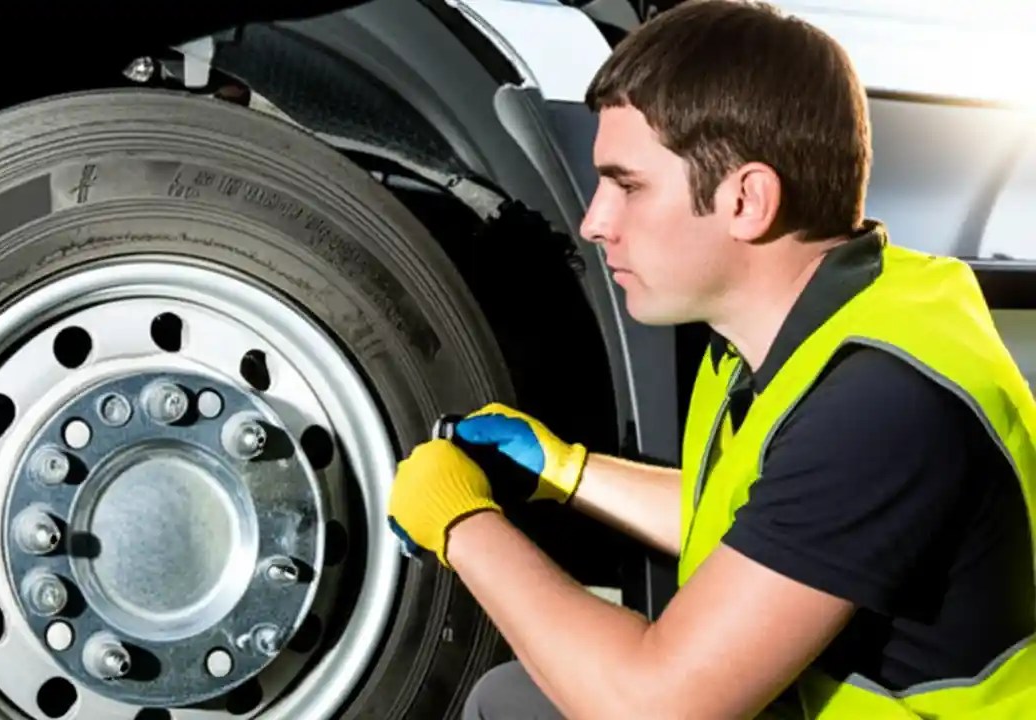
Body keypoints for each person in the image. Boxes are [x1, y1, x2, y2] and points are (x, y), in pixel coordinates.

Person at [384, 1, 1036, 718]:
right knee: (512, 699)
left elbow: (653, 707)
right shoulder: (794, 336)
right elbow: (770, 521)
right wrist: (568, 473)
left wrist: (461, 524)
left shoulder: (881, 406)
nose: (595, 222)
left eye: (628, 186)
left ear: (746, 200)